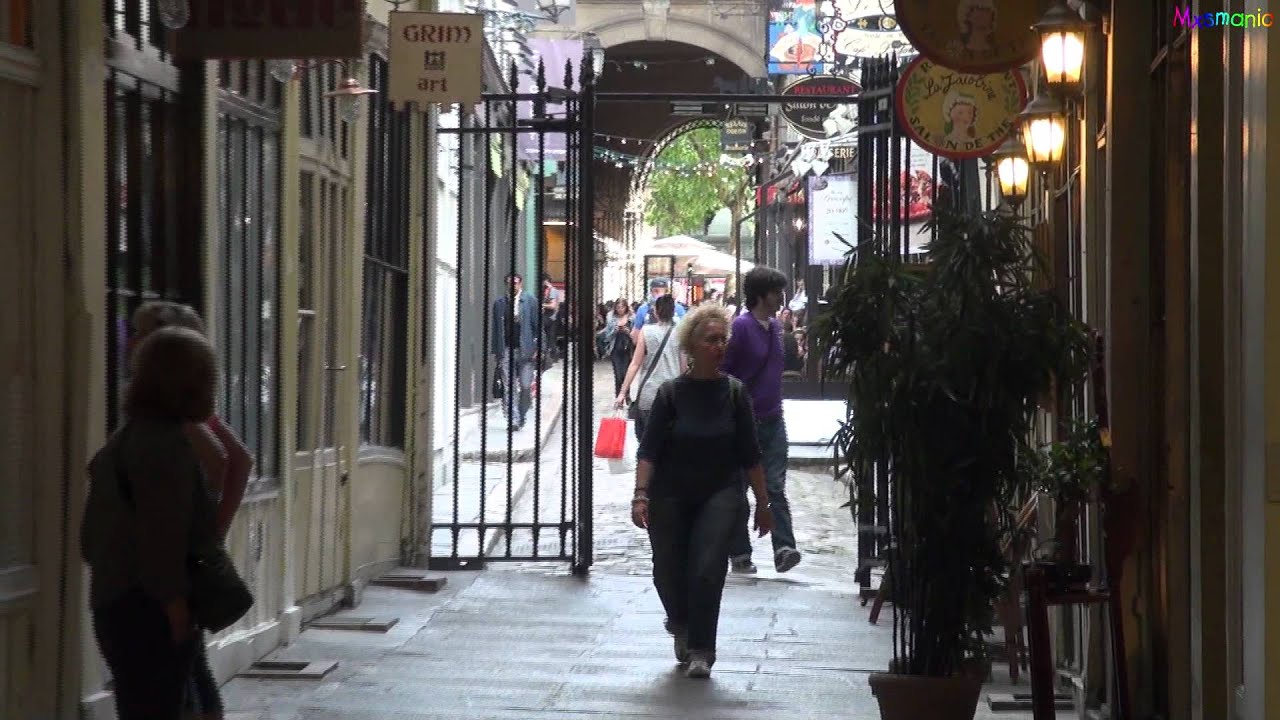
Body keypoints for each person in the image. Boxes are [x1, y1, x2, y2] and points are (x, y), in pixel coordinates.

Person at [81, 326, 222, 719]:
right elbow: (163, 537)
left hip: (114, 601)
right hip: (151, 609)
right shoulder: (166, 449)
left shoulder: (124, 440)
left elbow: (91, 539)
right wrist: (174, 604)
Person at [631, 303, 775, 679]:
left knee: (707, 568)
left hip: (721, 491)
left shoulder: (734, 393)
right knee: (667, 569)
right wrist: (640, 494)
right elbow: (649, 450)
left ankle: (701, 649)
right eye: (711, 340)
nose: (719, 346)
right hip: (670, 492)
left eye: (722, 340)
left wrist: (763, 503)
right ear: (691, 344)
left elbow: (751, 453)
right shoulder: (670, 394)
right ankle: (679, 622)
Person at [128, 301, 253, 720]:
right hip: (188, 555)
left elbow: (223, 461)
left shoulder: (176, 414)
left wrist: (204, 530)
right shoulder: (191, 408)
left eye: (140, 332)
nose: (131, 341)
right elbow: (240, 460)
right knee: (192, 670)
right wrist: (212, 532)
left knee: (180, 676)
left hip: (173, 561)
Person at [723, 266, 803, 574]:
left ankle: (784, 547)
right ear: (760, 295)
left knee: (775, 485)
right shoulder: (741, 327)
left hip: (773, 418)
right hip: (744, 421)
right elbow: (727, 371)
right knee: (740, 486)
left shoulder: (776, 329)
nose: (781, 297)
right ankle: (739, 551)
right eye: (776, 291)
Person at [614, 295, 683, 441]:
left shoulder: (646, 331)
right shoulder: (681, 333)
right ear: (673, 312)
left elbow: (635, 364)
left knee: (647, 446)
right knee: (670, 445)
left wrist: (622, 393)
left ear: (656, 312)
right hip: (673, 395)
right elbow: (684, 368)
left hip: (649, 396)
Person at [492, 272, 540, 431]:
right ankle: (513, 419)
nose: (513, 286)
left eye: (516, 283)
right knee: (509, 387)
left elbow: (538, 327)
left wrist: (539, 348)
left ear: (521, 284)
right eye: (509, 283)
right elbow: (495, 329)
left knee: (526, 387)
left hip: (526, 350)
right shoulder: (499, 303)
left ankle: (521, 413)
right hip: (506, 350)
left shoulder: (530, 301)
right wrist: (496, 351)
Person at [602, 298, 635, 395]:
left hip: (627, 348)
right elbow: (607, 336)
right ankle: (618, 395)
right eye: (618, 307)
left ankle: (626, 394)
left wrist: (628, 332)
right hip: (615, 348)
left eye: (622, 307)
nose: (620, 309)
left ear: (626, 307)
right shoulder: (611, 317)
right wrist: (615, 330)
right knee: (618, 373)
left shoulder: (632, 317)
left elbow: (635, 334)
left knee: (626, 373)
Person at [541, 273, 562, 362]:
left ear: (545, 281)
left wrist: (542, 305)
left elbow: (552, 305)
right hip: (551, 318)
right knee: (550, 337)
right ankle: (552, 355)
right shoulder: (550, 290)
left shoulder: (552, 290)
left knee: (547, 337)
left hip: (550, 317)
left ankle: (552, 355)